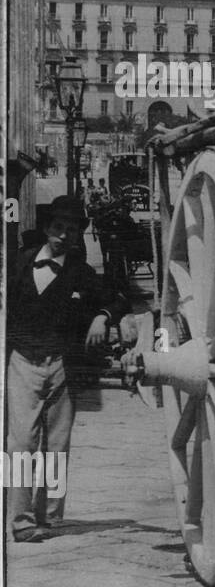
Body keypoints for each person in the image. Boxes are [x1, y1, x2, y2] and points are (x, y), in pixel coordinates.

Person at [5, 195, 130, 542]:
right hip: (22, 361)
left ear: (77, 236)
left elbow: (118, 299)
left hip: (62, 363)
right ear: (47, 229)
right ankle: (20, 520)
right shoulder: (19, 264)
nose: (63, 235)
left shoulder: (80, 272)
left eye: (71, 230)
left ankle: (49, 517)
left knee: (57, 443)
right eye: (58, 227)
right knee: (20, 442)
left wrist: (102, 318)